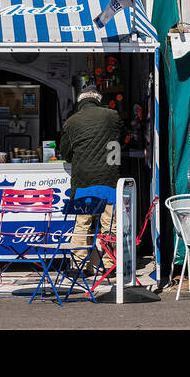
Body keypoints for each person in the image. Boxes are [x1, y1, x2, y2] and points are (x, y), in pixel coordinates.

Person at [57, 86, 123, 268]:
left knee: (82, 223)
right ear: (97, 99)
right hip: (108, 177)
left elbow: (66, 153)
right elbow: (119, 141)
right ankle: (110, 265)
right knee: (110, 224)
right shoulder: (112, 115)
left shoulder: (71, 122)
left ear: (80, 101)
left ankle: (79, 264)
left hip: (83, 180)